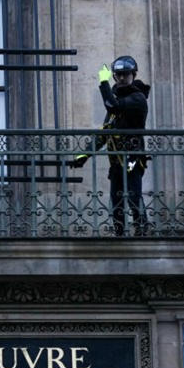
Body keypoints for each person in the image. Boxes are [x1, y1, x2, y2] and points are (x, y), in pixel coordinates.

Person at [73, 56, 151, 236]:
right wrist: (83, 156)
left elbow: (113, 107)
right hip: (116, 161)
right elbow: (104, 133)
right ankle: (119, 233)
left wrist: (103, 81)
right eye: (119, 75)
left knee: (133, 196)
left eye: (125, 74)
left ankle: (142, 229)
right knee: (116, 202)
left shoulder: (137, 98)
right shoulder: (117, 102)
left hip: (132, 158)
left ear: (133, 75)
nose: (122, 78)